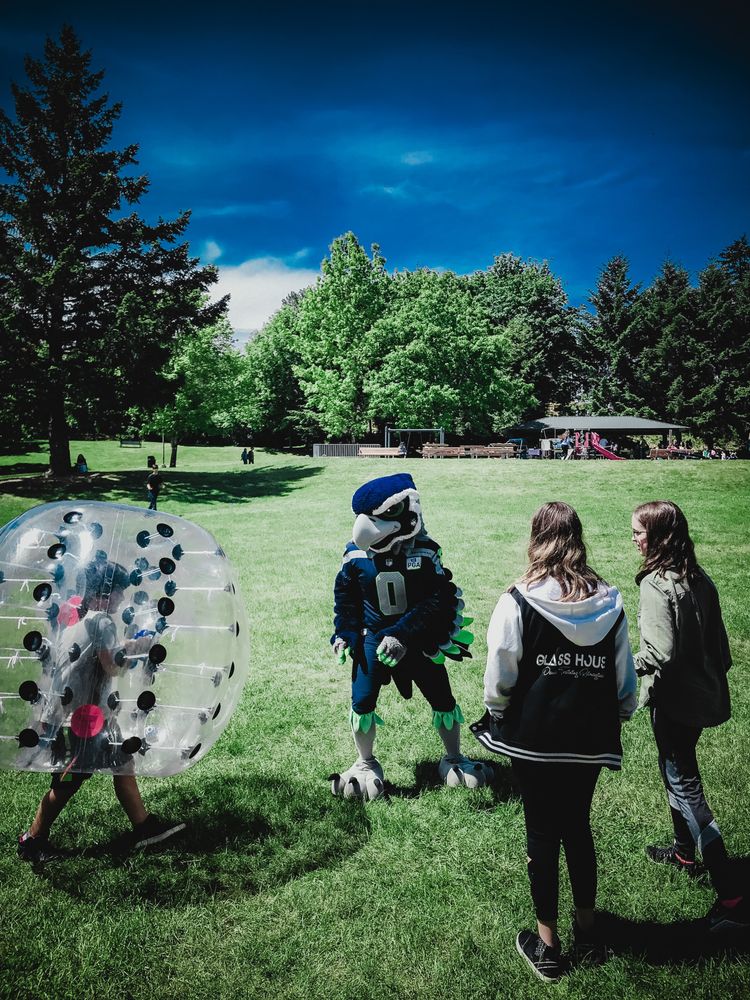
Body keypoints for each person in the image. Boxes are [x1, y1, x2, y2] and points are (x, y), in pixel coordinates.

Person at [472, 501, 636, 982]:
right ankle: (587, 929)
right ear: (578, 538)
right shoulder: (610, 600)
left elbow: (500, 666)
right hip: (589, 737)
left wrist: (497, 709)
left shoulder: (518, 599)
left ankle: (547, 947)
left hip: (535, 740)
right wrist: (621, 712)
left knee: (542, 835)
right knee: (578, 828)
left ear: (536, 537)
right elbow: (622, 675)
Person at [331, 473, 492, 800]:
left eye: (385, 515)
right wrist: (344, 633)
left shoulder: (425, 551)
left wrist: (404, 634)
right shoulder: (355, 556)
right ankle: (364, 764)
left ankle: (454, 758)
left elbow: (439, 599)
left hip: (416, 642)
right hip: (373, 639)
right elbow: (347, 599)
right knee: (362, 702)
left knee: (442, 698)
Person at [17, 559, 185, 862]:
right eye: (117, 592)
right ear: (102, 594)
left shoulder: (80, 618)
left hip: (77, 713)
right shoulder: (103, 621)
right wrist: (133, 653)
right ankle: (32, 840)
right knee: (68, 783)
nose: (121, 599)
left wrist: (127, 646)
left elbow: (97, 655)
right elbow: (110, 665)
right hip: (83, 719)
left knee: (122, 763)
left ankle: (143, 827)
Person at [631, 500, 748, 931]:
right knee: (673, 770)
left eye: (640, 532)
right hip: (702, 699)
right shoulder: (699, 577)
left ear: (659, 537)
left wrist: (622, 664)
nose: (634, 539)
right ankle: (683, 852)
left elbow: (659, 652)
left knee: (686, 786)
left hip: (676, 703)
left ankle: (732, 897)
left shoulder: (657, 585)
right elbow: (723, 649)